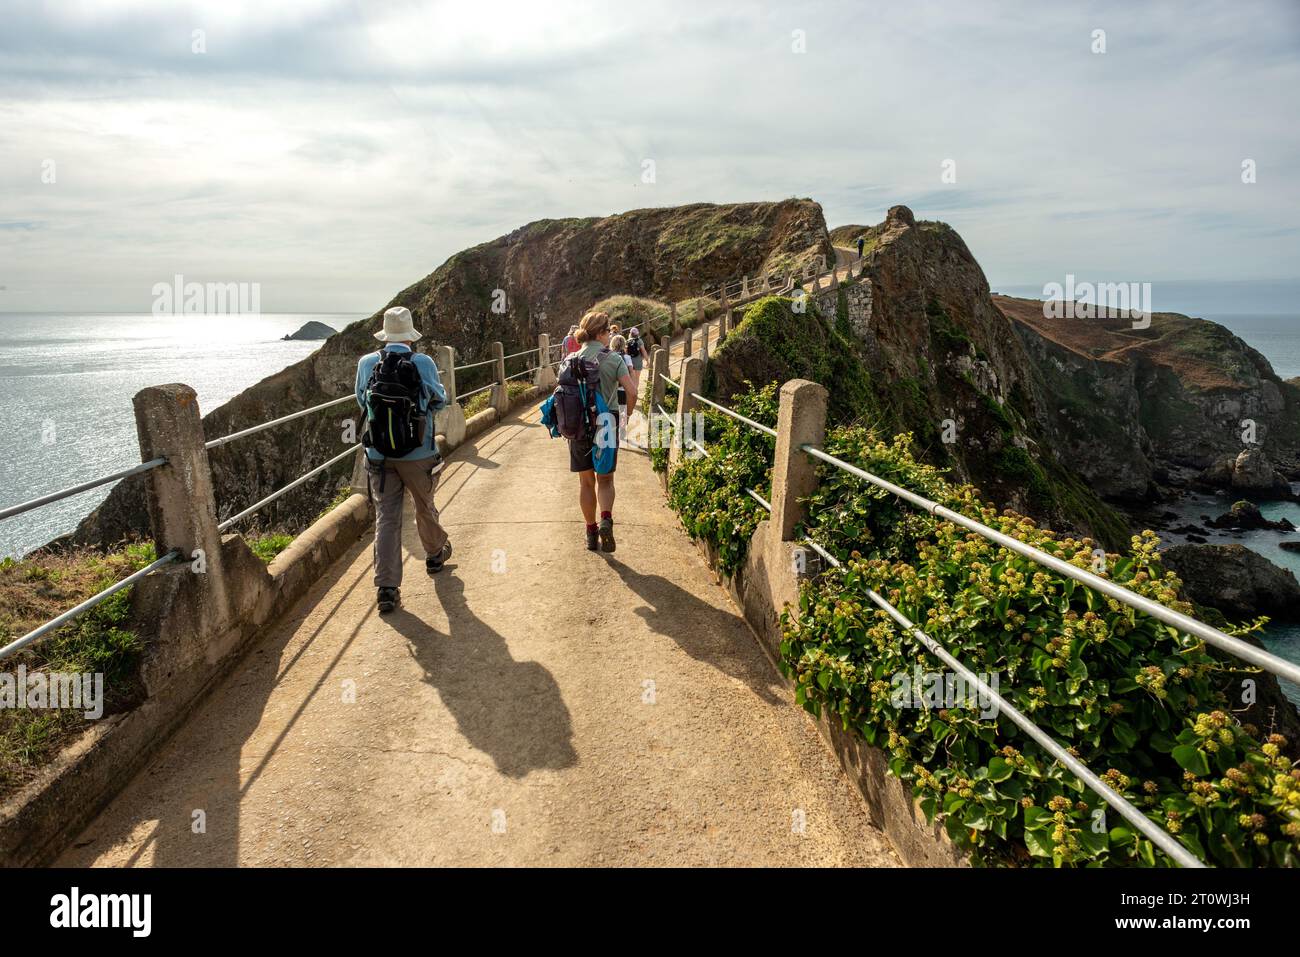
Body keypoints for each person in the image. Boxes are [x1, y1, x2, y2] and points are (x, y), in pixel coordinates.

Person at [355, 306, 452, 614]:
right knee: (424, 505)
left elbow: (361, 399)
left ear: (385, 334)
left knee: (386, 517)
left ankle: (386, 588)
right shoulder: (422, 362)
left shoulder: (367, 362)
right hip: (418, 452)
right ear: (410, 336)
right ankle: (435, 555)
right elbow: (439, 399)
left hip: (379, 455)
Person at [564, 310, 636, 552]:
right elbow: (633, 392)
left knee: (586, 483)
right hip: (607, 422)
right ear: (604, 333)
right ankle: (606, 518)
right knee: (605, 480)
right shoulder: (613, 359)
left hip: (577, 427)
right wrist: (627, 416)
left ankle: (591, 531)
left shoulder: (570, 360)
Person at [610, 333, 633, 445]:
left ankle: (612, 433)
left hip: (612, 389)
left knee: (613, 410)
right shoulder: (627, 357)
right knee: (623, 410)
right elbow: (631, 372)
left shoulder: (609, 356)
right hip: (623, 389)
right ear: (624, 344)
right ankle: (622, 434)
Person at [625, 326, 645, 398]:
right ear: (637, 334)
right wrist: (647, 360)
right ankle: (635, 392)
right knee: (637, 378)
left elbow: (626, 353)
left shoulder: (627, 341)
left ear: (630, 333)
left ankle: (631, 392)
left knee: (631, 378)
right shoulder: (639, 341)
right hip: (638, 361)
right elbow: (643, 351)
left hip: (630, 362)